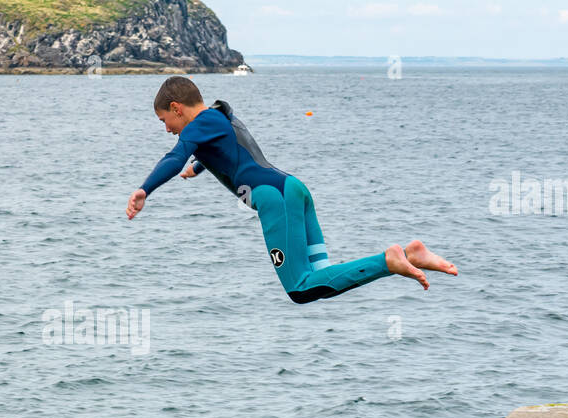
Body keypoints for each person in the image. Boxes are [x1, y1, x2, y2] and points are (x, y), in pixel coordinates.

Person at [125, 76, 457, 303]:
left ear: (176, 107)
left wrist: (145, 190)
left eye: (163, 120)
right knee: (322, 277)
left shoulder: (198, 127)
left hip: (273, 199)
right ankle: (412, 253)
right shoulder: (218, 115)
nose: (166, 129)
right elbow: (232, 148)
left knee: (299, 289)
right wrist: (200, 166)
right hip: (293, 188)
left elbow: (174, 156)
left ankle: (390, 260)